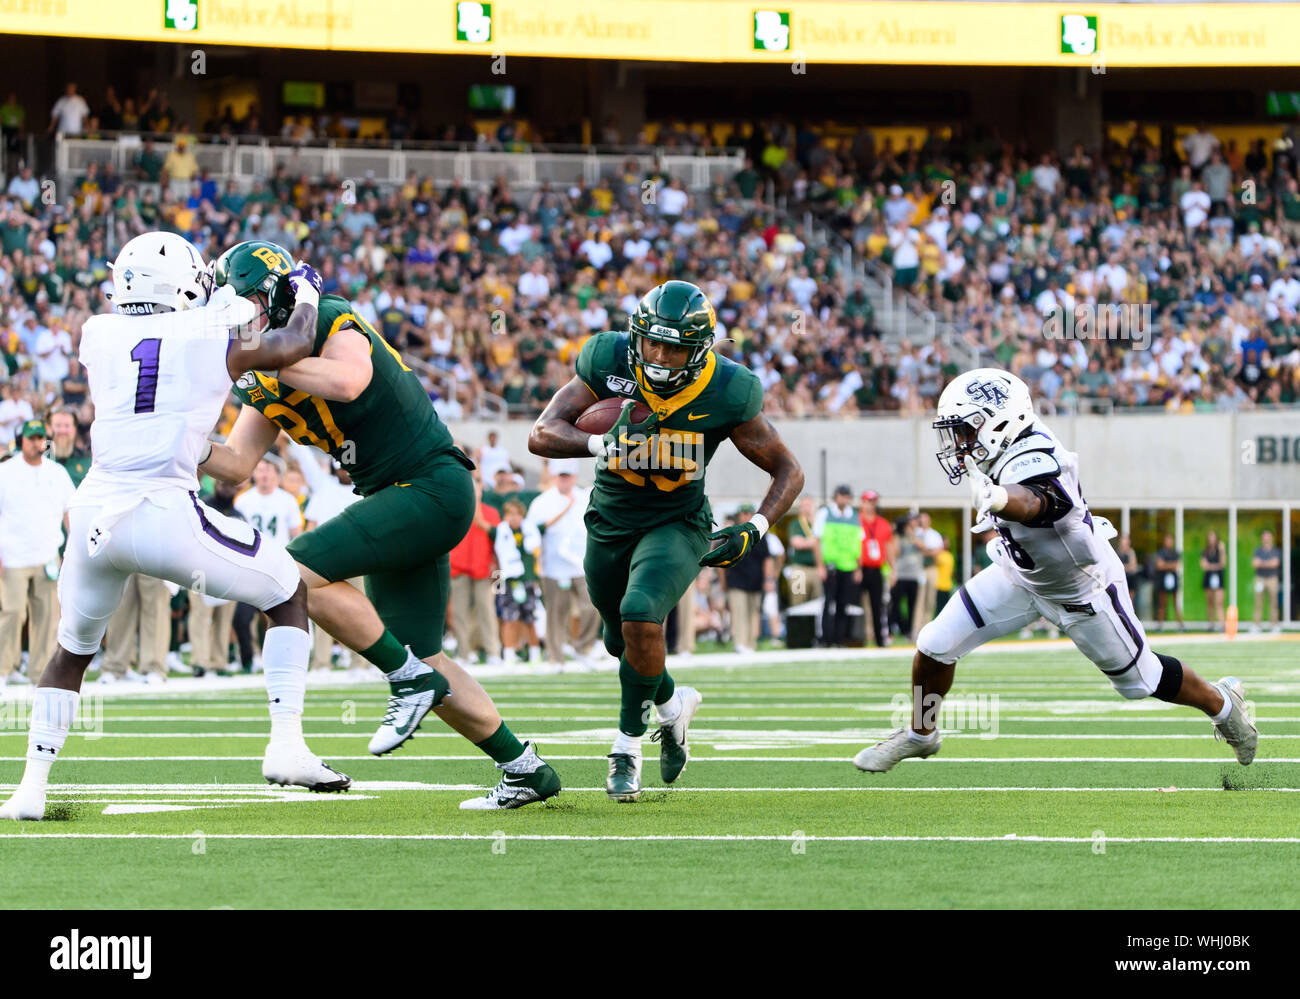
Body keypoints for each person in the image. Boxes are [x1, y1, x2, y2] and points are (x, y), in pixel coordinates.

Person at [0, 232, 345, 822]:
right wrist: (306, 290)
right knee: (287, 591)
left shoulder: (96, 332)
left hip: (94, 515)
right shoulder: (209, 327)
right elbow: (291, 343)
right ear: (184, 282)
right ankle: (286, 745)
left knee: (71, 651)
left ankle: (30, 787)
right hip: (163, 511)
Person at [205, 240, 560, 810]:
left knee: (289, 575)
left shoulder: (324, 317)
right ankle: (522, 767)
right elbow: (238, 463)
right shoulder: (261, 370)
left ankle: (407, 678)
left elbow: (349, 381)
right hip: (397, 499)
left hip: (430, 484)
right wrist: (182, 448)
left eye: (242, 303)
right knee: (427, 655)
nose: (234, 317)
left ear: (271, 298)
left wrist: (267, 355)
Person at [854, 368, 1256, 774]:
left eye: (965, 429)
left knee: (1142, 682)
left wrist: (997, 497)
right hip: (1019, 575)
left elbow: (1040, 501)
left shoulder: (1035, 454)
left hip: (1081, 590)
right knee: (934, 644)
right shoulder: (1005, 444)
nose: (959, 442)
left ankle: (1222, 703)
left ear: (997, 423)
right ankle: (922, 736)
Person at [530, 279, 803, 801]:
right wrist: (598, 442)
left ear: (699, 347)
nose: (657, 354)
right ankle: (674, 708)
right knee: (621, 642)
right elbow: (541, 432)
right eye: (651, 341)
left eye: (673, 344)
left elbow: (788, 470)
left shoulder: (727, 388)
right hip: (609, 519)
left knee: (640, 614)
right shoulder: (607, 357)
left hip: (678, 523)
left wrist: (756, 526)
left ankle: (626, 745)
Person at [0, 420, 75, 690]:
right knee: (12, 613)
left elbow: (70, 513)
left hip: (47, 554)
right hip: (12, 555)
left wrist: (71, 549)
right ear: (21, 440)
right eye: (32, 438)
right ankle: (3, 669)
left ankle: (40, 672)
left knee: (47, 616)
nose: (37, 442)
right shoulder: (5, 471)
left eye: (41, 438)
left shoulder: (57, 472)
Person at [525, 457, 600, 666]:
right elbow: (531, 532)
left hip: (582, 564)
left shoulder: (586, 497)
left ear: (574, 477)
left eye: (568, 476)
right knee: (556, 614)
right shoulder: (541, 502)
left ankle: (583, 648)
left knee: (592, 606)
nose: (564, 480)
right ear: (554, 477)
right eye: (561, 476)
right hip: (553, 567)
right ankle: (556, 657)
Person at [448, 476, 503, 667]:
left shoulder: (491, 512)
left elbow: (498, 541)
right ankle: (463, 653)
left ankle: (493, 651)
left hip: (484, 566)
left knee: (486, 610)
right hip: (458, 565)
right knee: (459, 612)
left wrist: (496, 567)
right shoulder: (456, 509)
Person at [720, 505, 777, 655]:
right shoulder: (732, 534)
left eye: (748, 513)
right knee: (739, 612)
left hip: (755, 582)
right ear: (739, 516)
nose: (745, 516)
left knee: (753, 613)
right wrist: (723, 581)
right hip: (736, 581)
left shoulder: (759, 534)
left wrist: (769, 579)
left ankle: (751, 644)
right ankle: (739, 643)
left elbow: (767, 559)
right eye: (743, 513)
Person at [492, 498, 542, 664]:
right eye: (509, 514)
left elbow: (535, 555)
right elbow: (482, 525)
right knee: (508, 618)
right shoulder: (500, 531)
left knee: (529, 618)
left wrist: (536, 579)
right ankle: (509, 654)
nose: (513, 518)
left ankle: (535, 653)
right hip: (507, 580)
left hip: (527, 580)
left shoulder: (530, 530)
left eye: (517, 514)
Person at [814, 485, 862, 647]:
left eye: (847, 496)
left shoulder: (855, 516)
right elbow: (817, 541)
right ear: (836, 497)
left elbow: (858, 543)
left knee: (843, 604)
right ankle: (826, 639)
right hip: (830, 566)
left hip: (848, 566)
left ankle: (839, 639)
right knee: (828, 603)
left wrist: (858, 568)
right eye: (842, 495)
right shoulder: (824, 513)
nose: (844, 499)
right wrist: (820, 565)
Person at [858, 490, 893, 647]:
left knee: (877, 606)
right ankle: (858, 637)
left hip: (876, 568)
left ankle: (879, 639)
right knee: (857, 605)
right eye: (867, 501)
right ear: (862, 503)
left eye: (873, 502)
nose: (870, 505)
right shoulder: (856, 521)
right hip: (859, 568)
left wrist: (893, 570)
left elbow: (889, 547)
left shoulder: (883, 523)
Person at [783, 495, 822, 605]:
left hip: (817, 568)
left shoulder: (819, 524)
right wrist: (816, 541)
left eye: (808, 505)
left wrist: (808, 541)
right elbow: (797, 543)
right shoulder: (796, 524)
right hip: (800, 568)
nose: (806, 508)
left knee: (818, 601)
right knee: (798, 601)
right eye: (803, 505)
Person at [1252, 530, 1282, 633]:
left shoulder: (1276, 551)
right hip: (1259, 578)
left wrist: (1262, 563)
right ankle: (1257, 625)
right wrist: (1268, 563)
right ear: (1262, 538)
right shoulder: (1258, 550)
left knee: (1273, 602)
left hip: (1272, 578)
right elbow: (1255, 563)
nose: (1266, 539)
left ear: (1272, 538)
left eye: (1268, 537)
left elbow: (1275, 563)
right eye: (1264, 537)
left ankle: (1274, 625)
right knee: (1258, 602)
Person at [1153, 534, 1184, 632]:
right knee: (1162, 603)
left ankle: (1180, 626)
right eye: (1167, 540)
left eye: (1170, 540)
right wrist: (1170, 565)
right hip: (1162, 579)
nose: (1169, 542)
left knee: (1175, 603)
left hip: (1173, 579)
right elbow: (1159, 565)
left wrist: (1165, 565)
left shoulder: (1176, 552)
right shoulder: (1161, 552)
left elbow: (1177, 565)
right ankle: (1160, 626)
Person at [1200, 530, 1226, 632]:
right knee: (1210, 602)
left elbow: (1223, 563)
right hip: (1208, 577)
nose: (1212, 540)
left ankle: (1222, 624)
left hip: (1218, 577)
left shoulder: (1220, 550)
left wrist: (1222, 550)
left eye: (1213, 537)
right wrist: (1215, 566)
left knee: (1219, 602)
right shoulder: (1205, 551)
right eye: (1210, 537)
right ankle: (1211, 624)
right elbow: (1203, 565)